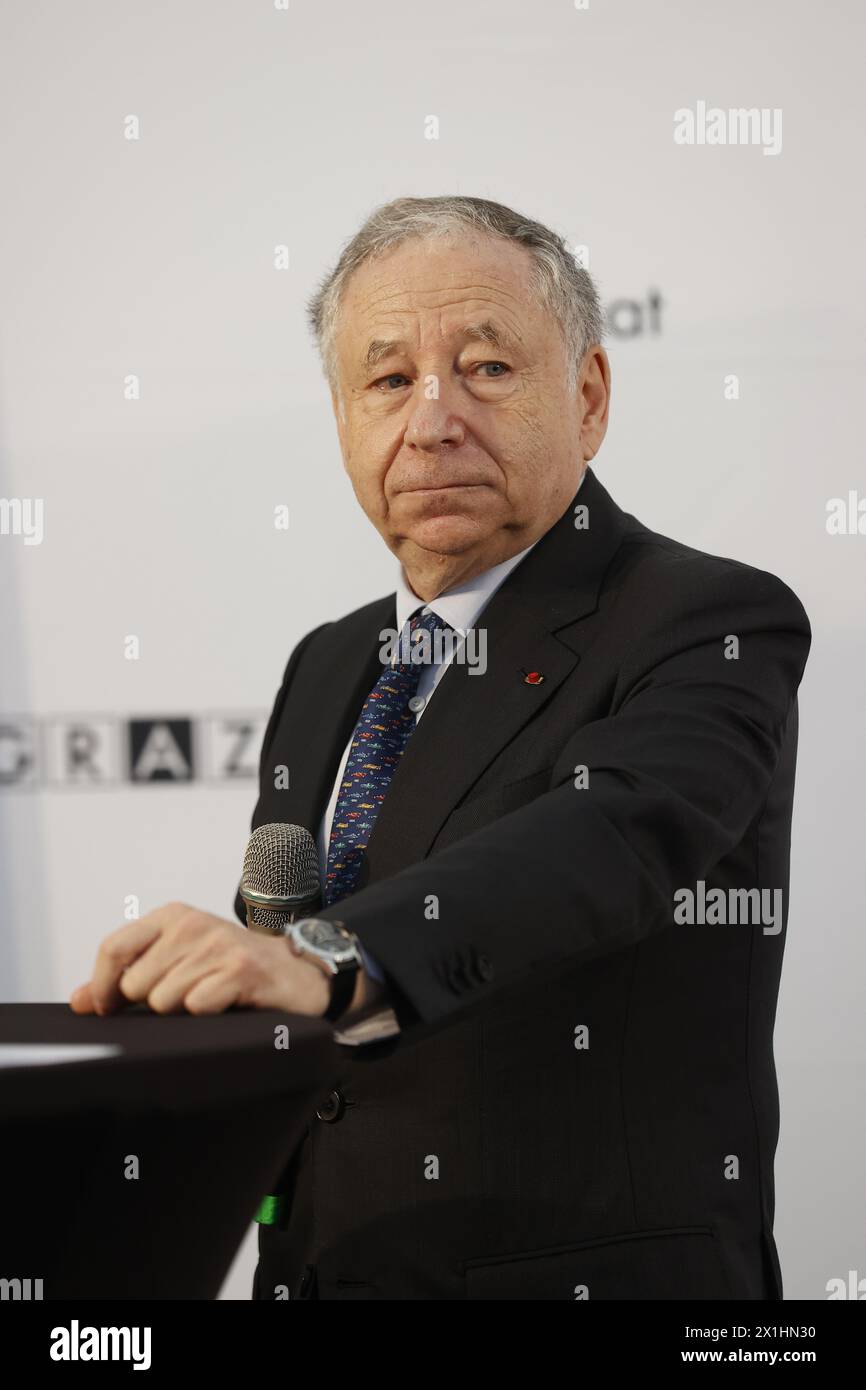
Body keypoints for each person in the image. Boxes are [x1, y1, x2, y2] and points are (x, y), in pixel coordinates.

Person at [71, 195, 811, 1301]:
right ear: (340, 419)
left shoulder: (703, 616)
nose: (430, 421)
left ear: (589, 396)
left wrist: (320, 962)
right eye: (385, 381)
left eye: (486, 369)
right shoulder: (329, 662)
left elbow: (604, 839)